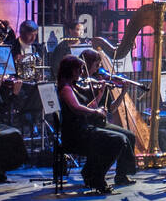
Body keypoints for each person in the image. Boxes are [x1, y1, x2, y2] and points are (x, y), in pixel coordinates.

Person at [55, 56, 129, 193]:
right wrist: (96, 111)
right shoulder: (65, 88)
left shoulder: (72, 86)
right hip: (75, 134)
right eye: (79, 69)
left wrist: (100, 94)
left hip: (83, 130)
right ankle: (96, 177)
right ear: (71, 70)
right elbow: (76, 108)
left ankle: (91, 174)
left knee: (119, 138)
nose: (82, 72)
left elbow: (87, 107)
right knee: (118, 140)